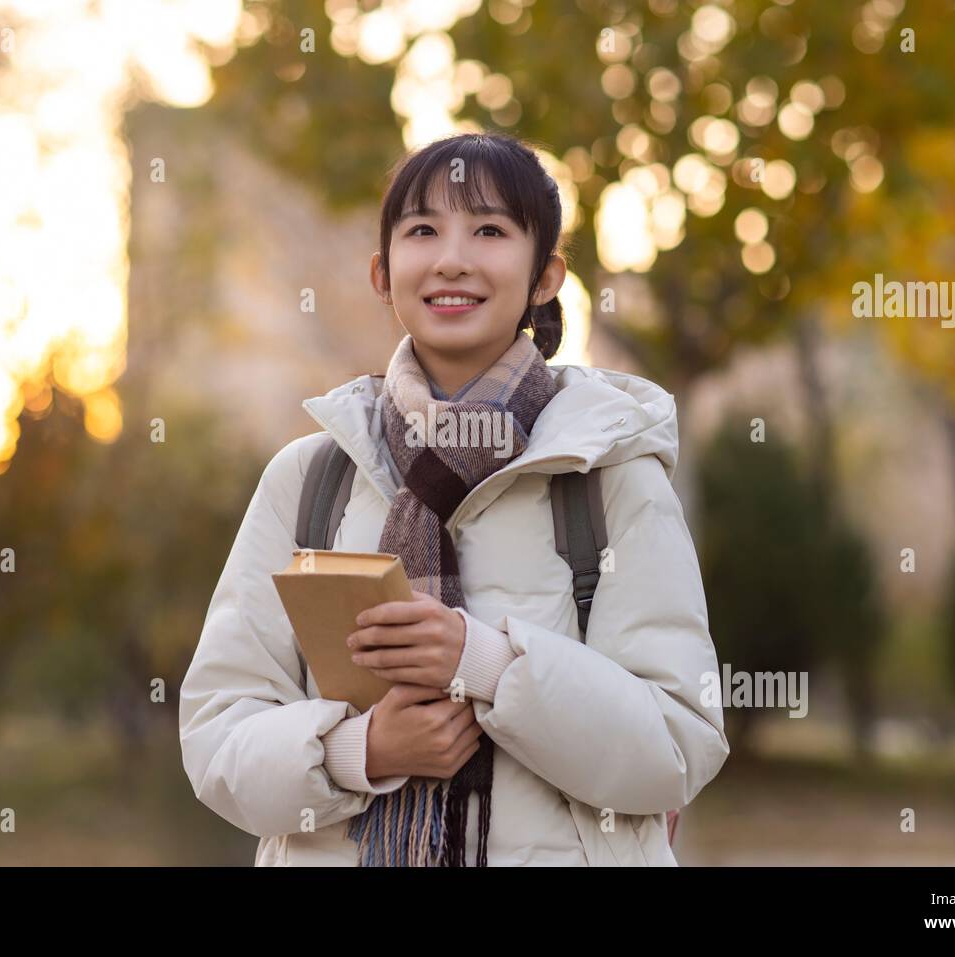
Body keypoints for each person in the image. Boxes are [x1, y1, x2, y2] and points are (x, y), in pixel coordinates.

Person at [179, 130, 729, 866]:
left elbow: (677, 745)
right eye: (423, 231)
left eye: (491, 231)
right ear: (383, 274)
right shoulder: (310, 480)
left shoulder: (609, 475)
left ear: (545, 276)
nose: (452, 260)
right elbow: (216, 739)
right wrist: (361, 750)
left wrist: (486, 662)